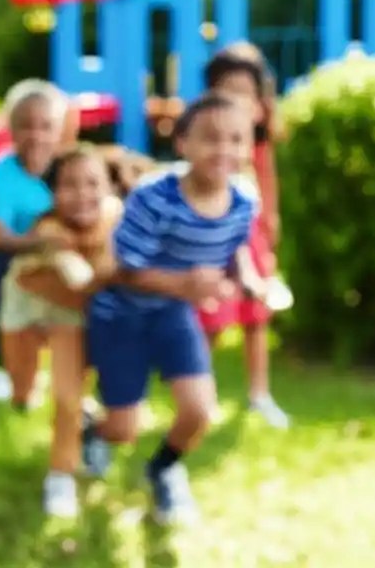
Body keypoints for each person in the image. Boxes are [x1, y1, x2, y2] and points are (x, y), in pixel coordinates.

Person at [81, 95, 267, 524]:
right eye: (210, 138)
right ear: (182, 142)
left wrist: (249, 281)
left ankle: (164, 469)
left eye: (236, 139)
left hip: (173, 315)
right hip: (121, 314)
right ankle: (92, 428)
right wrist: (185, 284)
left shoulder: (244, 201)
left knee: (199, 410)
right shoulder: (153, 197)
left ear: (248, 147)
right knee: (124, 429)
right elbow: (121, 270)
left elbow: (233, 247)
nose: (224, 150)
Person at [0, 145, 121, 518]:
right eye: (70, 184)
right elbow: (78, 276)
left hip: (68, 310)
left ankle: (61, 474)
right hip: (26, 302)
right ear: (52, 193)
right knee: (21, 390)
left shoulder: (115, 217)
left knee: (67, 394)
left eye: (92, 183)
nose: (83, 194)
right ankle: (70, 416)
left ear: (109, 189)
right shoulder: (51, 229)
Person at [197, 47, 290, 429]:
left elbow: (266, 179)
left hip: (251, 234)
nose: (236, 99)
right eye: (228, 90)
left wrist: (270, 220)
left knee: (256, 316)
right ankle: (202, 394)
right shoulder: (206, 136)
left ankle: (259, 393)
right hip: (216, 233)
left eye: (244, 91)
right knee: (211, 317)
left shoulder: (258, 140)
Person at [0, 79, 67, 402]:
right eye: (25, 126)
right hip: (1, 252)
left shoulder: (62, 169)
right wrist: (45, 242)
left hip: (47, 250)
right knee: (3, 310)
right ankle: (5, 370)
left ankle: (46, 368)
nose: (36, 135)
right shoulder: (1, 172)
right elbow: (2, 236)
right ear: (11, 130)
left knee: (51, 308)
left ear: (59, 130)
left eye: (46, 126)